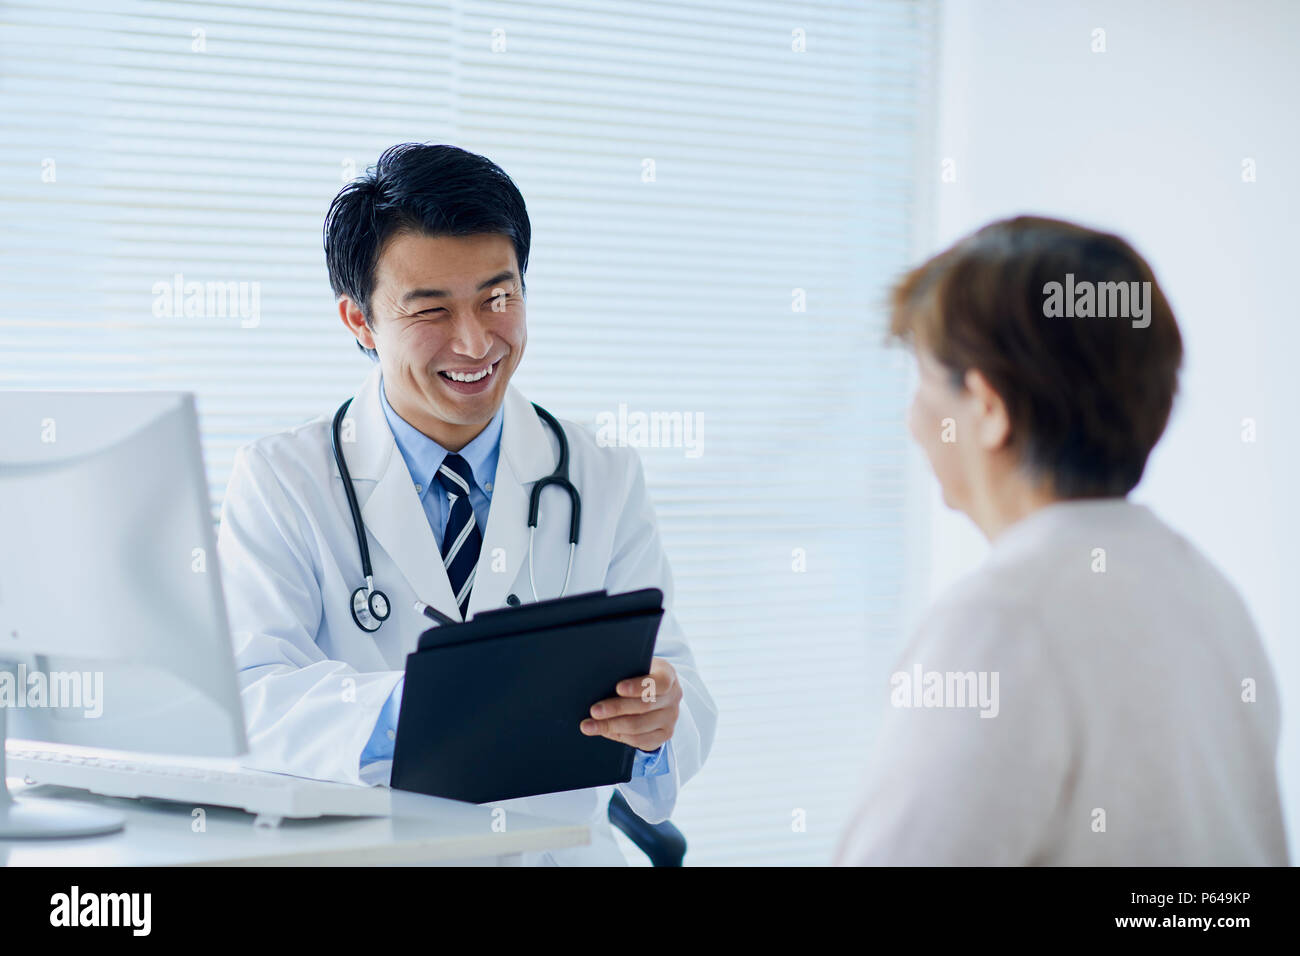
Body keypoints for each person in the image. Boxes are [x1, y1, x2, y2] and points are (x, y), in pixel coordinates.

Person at [217, 143, 716, 865]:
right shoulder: (283, 480)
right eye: (431, 310)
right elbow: (252, 699)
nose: (477, 341)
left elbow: (679, 687)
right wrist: (424, 709)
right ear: (359, 321)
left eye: (498, 297)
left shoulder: (601, 475)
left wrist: (659, 717)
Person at [835, 216, 1288, 865]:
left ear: (987, 410)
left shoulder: (998, 623)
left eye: (925, 386)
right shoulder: (1207, 591)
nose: (913, 423)